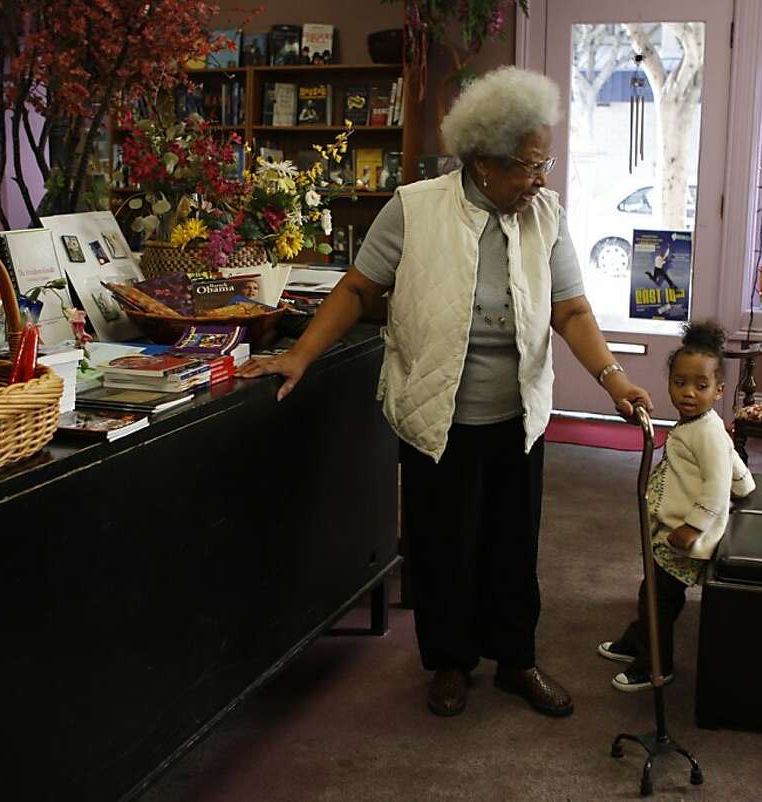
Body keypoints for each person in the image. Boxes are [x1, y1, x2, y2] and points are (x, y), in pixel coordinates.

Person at [234, 66, 653, 718]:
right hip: (439, 410)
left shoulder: (546, 214)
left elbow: (570, 309)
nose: (540, 178)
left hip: (517, 413)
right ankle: (450, 662)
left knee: (513, 545)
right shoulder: (415, 207)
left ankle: (515, 659)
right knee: (441, 544)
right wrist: (298, 355)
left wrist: (613, 377)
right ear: (483, 159)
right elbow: (358, 289)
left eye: (544, 163)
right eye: (527, 165)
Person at [597, 321, 755, 691]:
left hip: (684, 536)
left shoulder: (707, 432)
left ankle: (656, 664)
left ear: (719, 390)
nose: (688, 393)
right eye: (679, 383)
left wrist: (695, 527)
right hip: (671, 529)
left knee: (658, 598)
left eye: (700, 387)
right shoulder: (703, 423)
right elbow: (731, 463)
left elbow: (716, 484)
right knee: (653, 591)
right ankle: (639, 638)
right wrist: (746, 484)